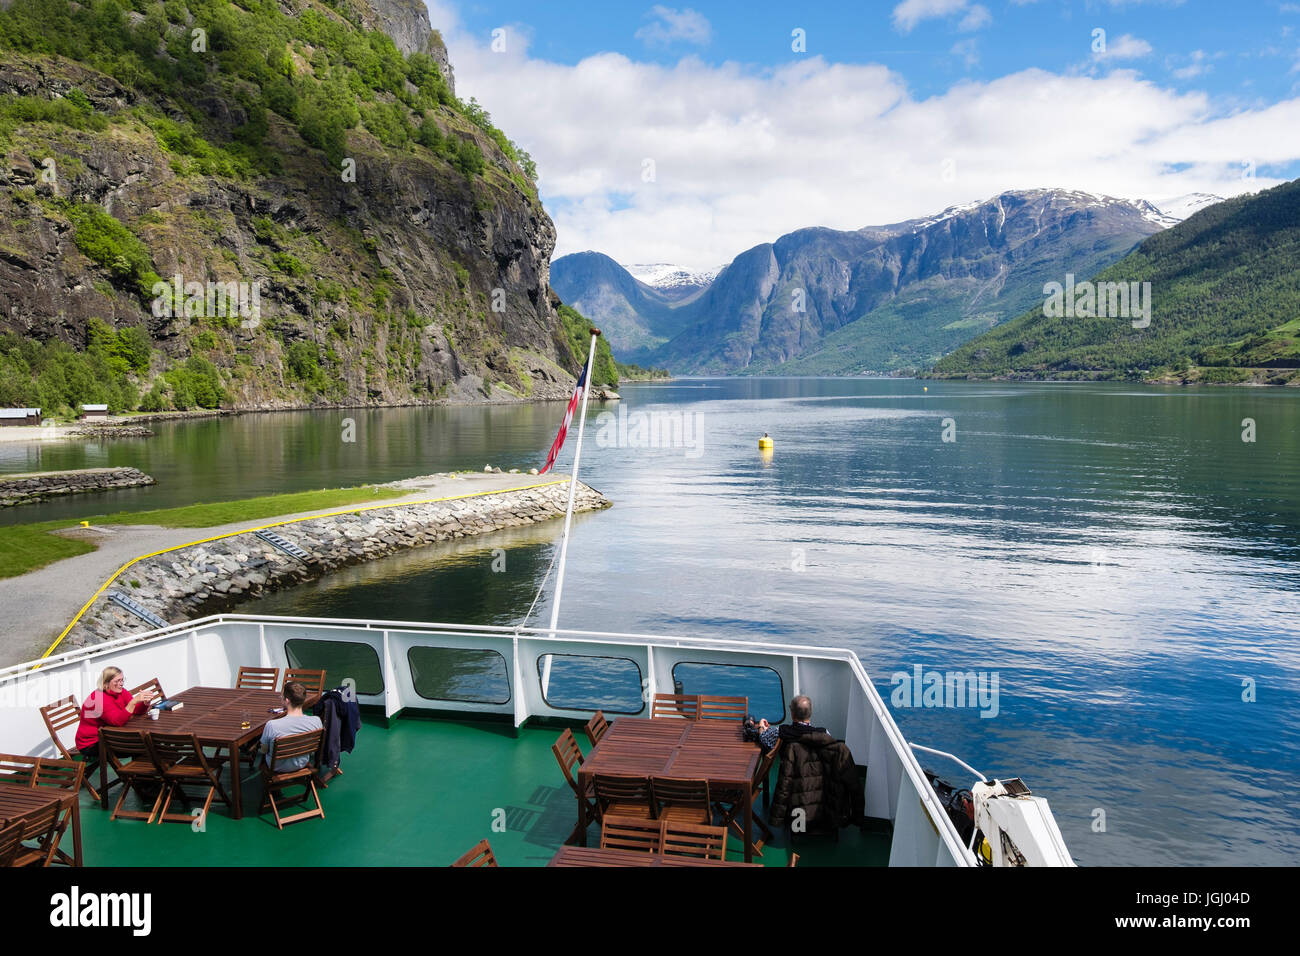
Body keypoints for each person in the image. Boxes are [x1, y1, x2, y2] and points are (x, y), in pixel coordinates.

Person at [74, 666, 157, 755]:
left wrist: (145, 703)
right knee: (141, 745)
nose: (121, 683)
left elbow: (135, 710)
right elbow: (117, 722)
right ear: (106, 682)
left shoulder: (121, 692)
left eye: (122, 680)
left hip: (110, 734)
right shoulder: (98, 699)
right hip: (92, 743)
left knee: (145, 742)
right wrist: (133, 702)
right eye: (117, 681)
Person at [258, 682, 323, 772]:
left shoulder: (272, 725)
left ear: (287, 700)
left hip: (278, 767)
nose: (280, 698)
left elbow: (264, 750)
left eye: (282, 696)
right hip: (302, 763)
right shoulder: (316, 721)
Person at [755, 695, 826, 752]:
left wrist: (761, 727)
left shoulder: (782, 731)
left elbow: (763, 739)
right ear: (810, 713)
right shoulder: (824, 733)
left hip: (790, 769)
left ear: (792, 713)